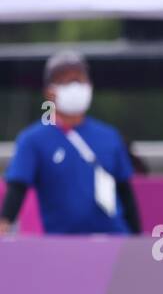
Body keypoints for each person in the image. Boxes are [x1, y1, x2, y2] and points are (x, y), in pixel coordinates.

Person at [1, 50, 141, 236]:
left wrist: (136, 243)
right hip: (64, 247)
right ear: (49, 92)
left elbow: (126, 194)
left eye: (79, 79)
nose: (75, 86)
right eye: (66, 80)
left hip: (114, 241)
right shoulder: (33, 139)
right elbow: (16, 190)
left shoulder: (110, 136)